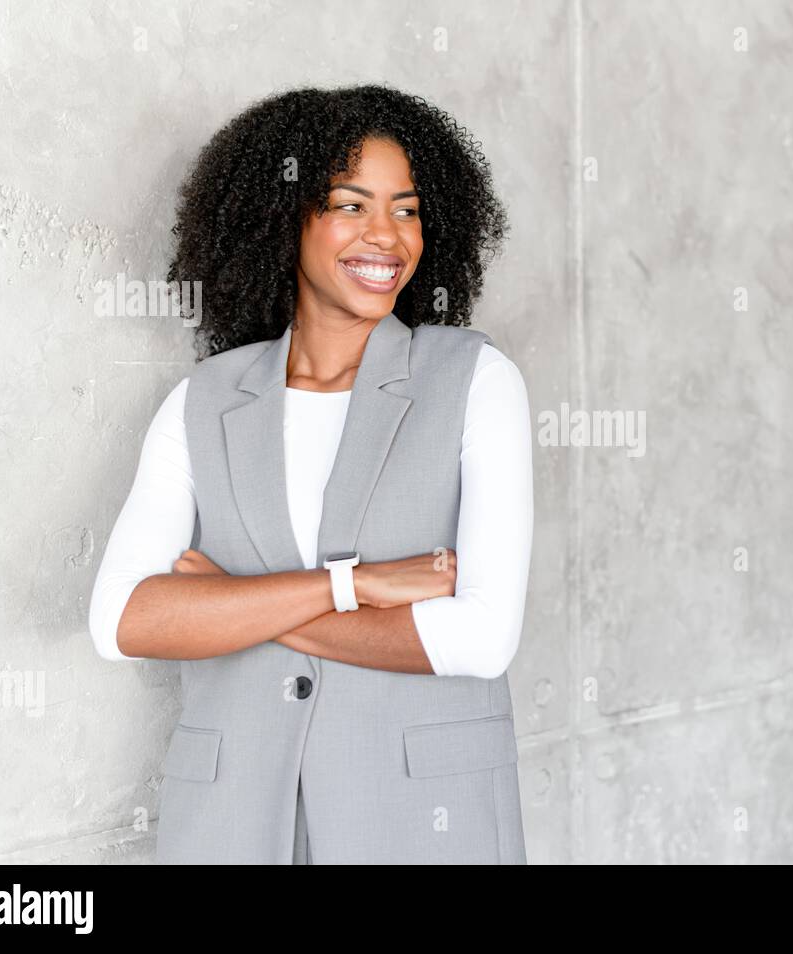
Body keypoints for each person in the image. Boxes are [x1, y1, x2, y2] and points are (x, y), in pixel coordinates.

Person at [87, 84, 532, 864]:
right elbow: (122, 622)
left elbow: (480, 638)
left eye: (407, 209)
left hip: (422, 823)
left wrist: (228, 602)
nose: (386, 236)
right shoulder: (204, 400)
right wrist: (353, 586)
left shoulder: (475, 380)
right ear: (282, 216)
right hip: (230, 826)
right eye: (351, 205)